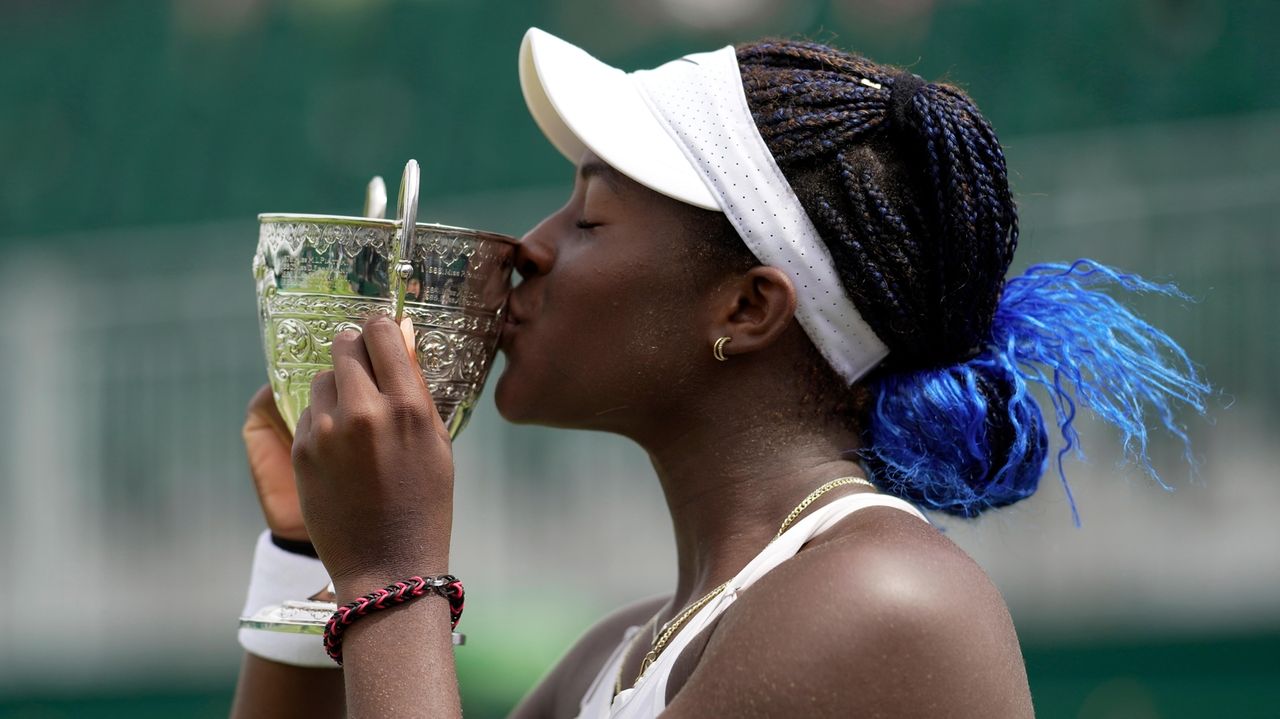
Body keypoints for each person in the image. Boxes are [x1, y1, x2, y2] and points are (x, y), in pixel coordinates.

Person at [230, 28, 1208, 718]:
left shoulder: (886, 603)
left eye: (589, 216)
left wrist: (393, 574)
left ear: (747, 308)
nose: (530, 247)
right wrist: (311, 554)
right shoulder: (615, 657)